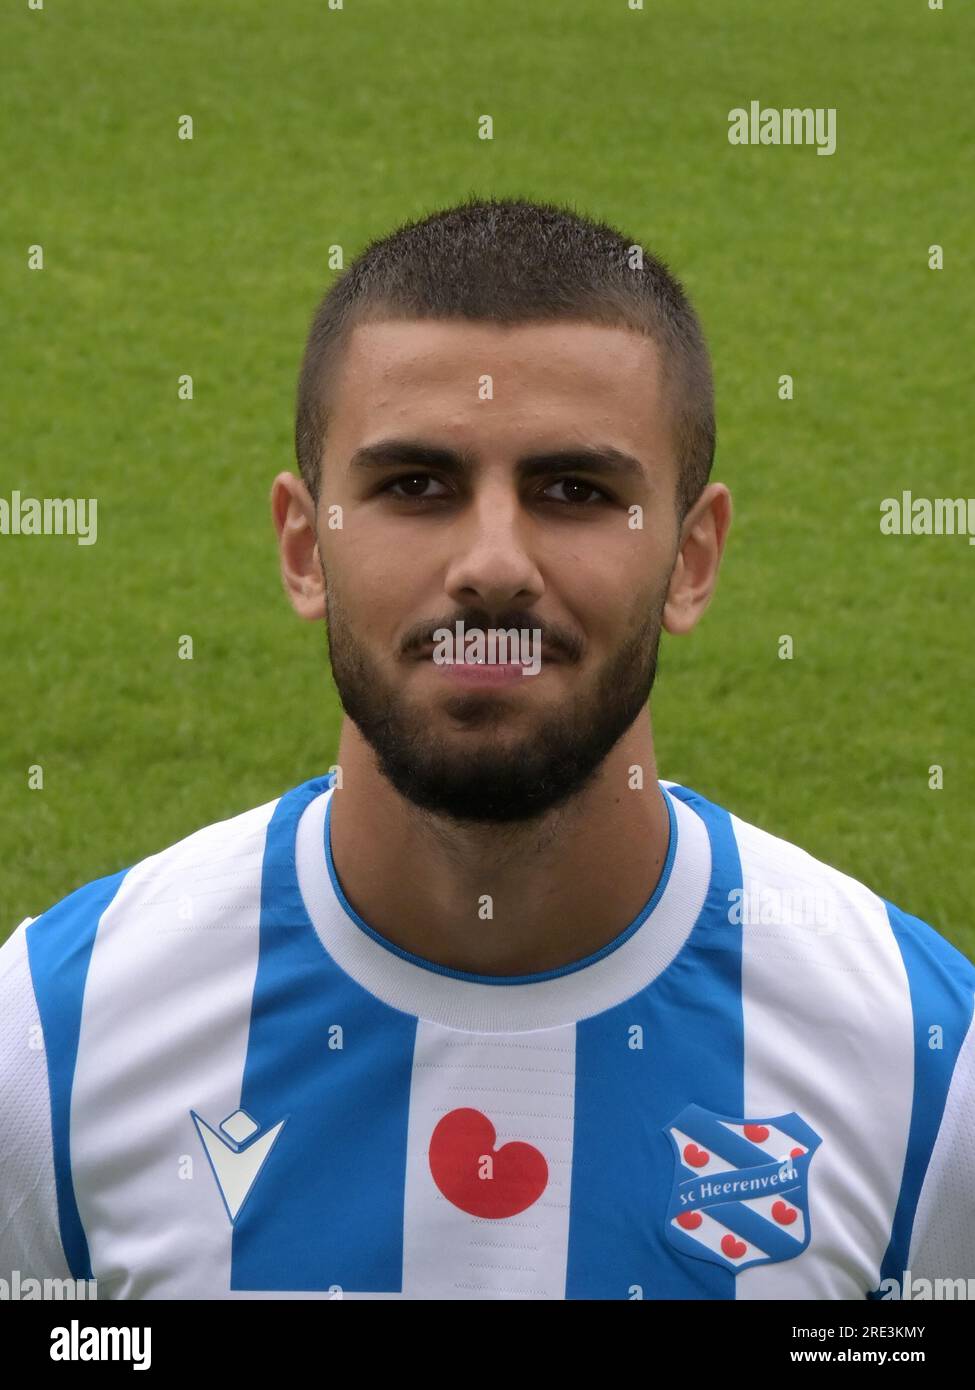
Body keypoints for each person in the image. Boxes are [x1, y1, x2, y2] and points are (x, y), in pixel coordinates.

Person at [1, 197, 971, 1301]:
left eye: (575, 491)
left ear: (693, 558)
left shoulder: (927, 1073)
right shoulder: (48, 1048)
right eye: (416, 486)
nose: (494, 564)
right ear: (306, 545)